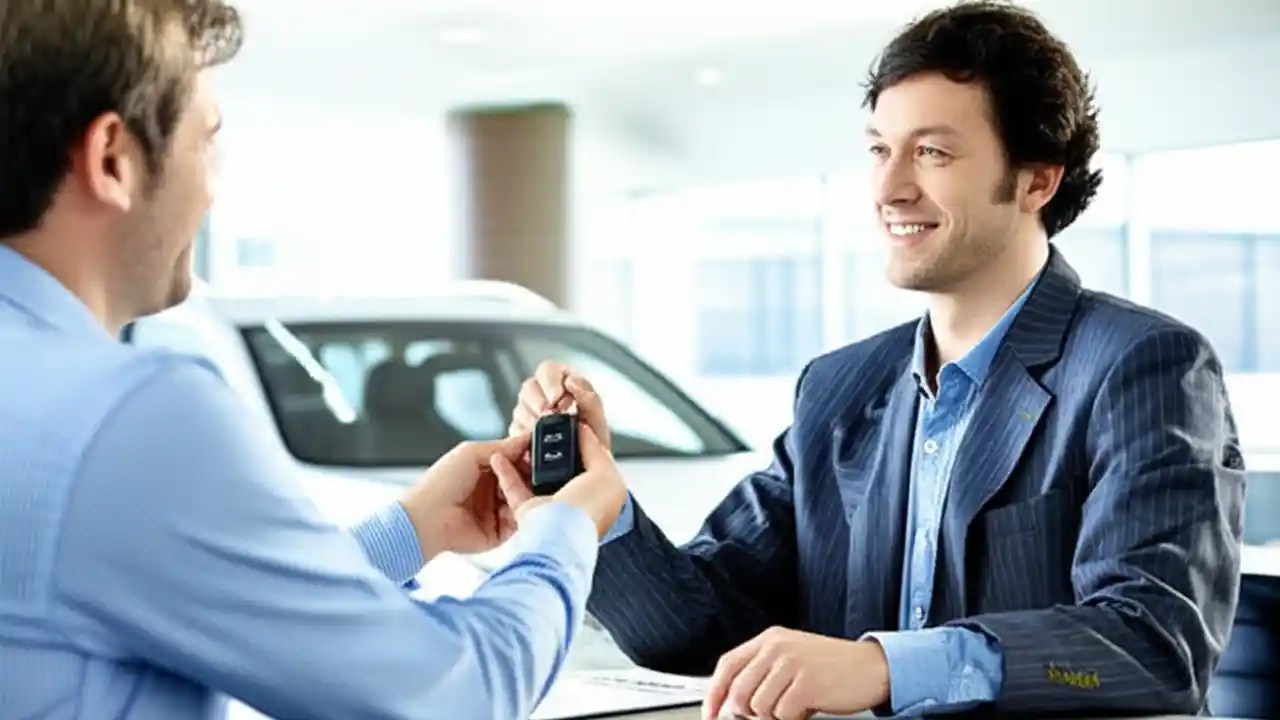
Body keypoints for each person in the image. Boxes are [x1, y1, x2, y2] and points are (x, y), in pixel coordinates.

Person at [508, 2, 1247, 718]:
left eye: (931, 152)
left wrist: (884, 667)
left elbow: (1154, 645)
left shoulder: (1144, 365)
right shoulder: (839, 388)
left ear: (1037, 179)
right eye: (879, 150)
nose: (889, 189)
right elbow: (695, 628)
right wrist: (592, 508)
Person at [0, 2, 626, 719]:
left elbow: (204, 596)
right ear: (113, 160)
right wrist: (562, 534)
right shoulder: (128, 417)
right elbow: (456, 695)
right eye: (206, 143)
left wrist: (412, 530)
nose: (212, 191)